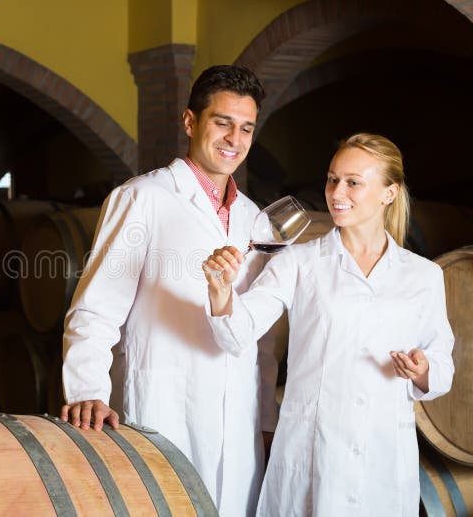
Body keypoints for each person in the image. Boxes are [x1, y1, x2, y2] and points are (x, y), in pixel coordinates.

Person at [61, 65, 279, 516]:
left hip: (237, 421)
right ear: (189, 122)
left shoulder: (257, 220)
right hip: (163, 402)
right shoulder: (143, 198)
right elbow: (97, 308)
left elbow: (263, 339)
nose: (233, 140)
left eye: (245, 128)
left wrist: (264, 419)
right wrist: (87, 390)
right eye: (222, 122)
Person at [203, 133, 455, 515]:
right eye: (333, 178)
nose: (337, 191)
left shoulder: (422, 276)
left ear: (389, 193)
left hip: (383, 460)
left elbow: (443, 366)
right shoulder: (298, 262)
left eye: (353, 182)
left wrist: (423, 370)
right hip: (311, 455)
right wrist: (222, 292)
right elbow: (238, 333)